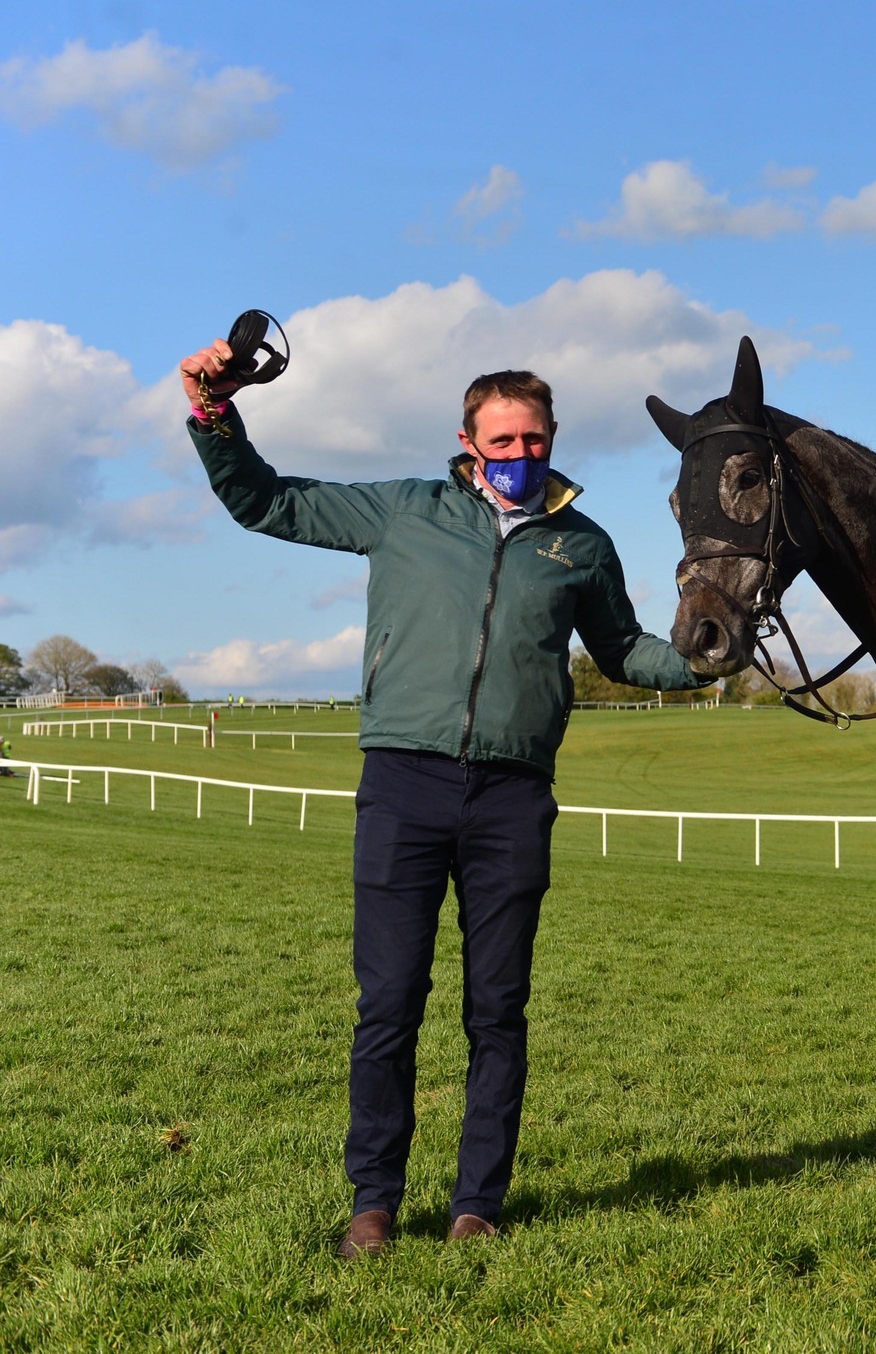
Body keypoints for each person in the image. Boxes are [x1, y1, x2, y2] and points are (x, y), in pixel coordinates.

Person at [179, 342, 708, 1258]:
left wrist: (702, 655)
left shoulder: (580, 544)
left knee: (496, 1012)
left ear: (553, 438)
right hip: (403, 785)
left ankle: (477, 1206)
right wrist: (215, 415)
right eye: (503, 438)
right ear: (466, 439)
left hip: (514, 798)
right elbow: (264, 501)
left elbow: (624, 650)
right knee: (388, 1005)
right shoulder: (402, 510)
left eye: (535, 438)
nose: (521, 453)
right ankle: (373, 1204)